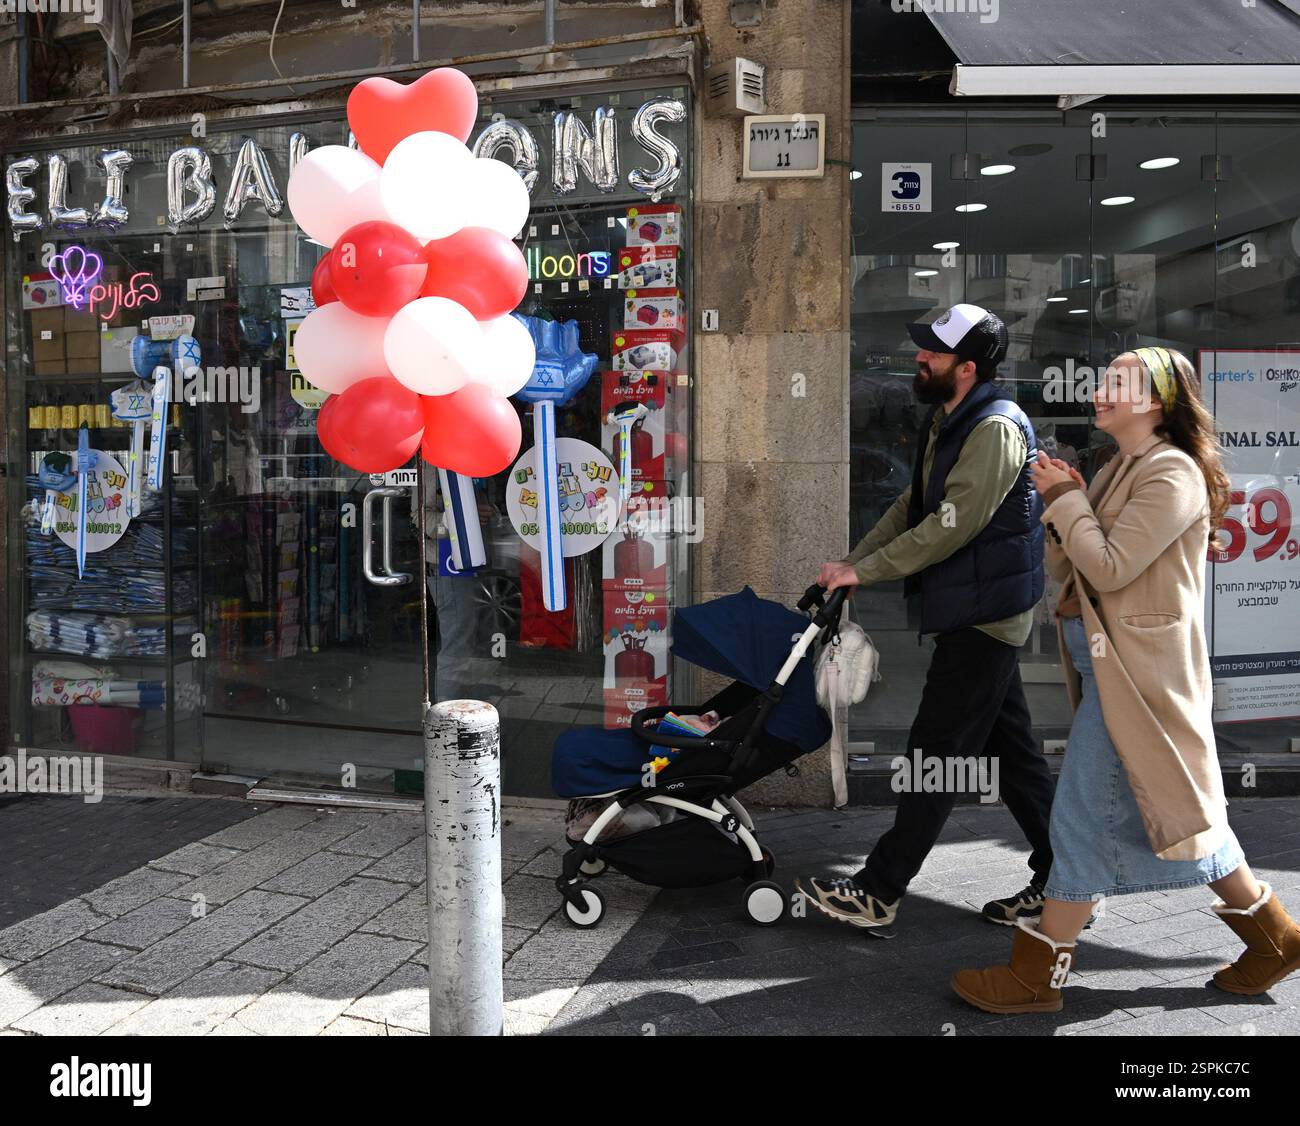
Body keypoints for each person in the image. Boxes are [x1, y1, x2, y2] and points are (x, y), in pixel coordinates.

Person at [951, 347, 1300, 1014]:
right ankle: (1275, 938)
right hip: (1116, 673)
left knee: (1080, 821)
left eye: (1120, 382)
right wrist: (1065, 504)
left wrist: (1066, 499)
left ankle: (1034, 979)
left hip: (1137, 685)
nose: (1101, 389)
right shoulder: (1123, 467)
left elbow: (1108, 570)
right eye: (1104, 378)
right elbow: (1073, 570)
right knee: (1184, 814)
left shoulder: (1170, 473)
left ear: (1158, 403)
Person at [796, 303, 1056, 932]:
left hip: (986, 617)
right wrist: (849, 566)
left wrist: (868, 572)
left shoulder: (992, 429)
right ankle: (1065, 879)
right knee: (1016, 758)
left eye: (933, 353)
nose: (920, 358)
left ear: (966, 368)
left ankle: (880, 889)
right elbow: (911, 505)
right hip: (976, 611)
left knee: (934, 755)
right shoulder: (949, 419)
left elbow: (950, 526)